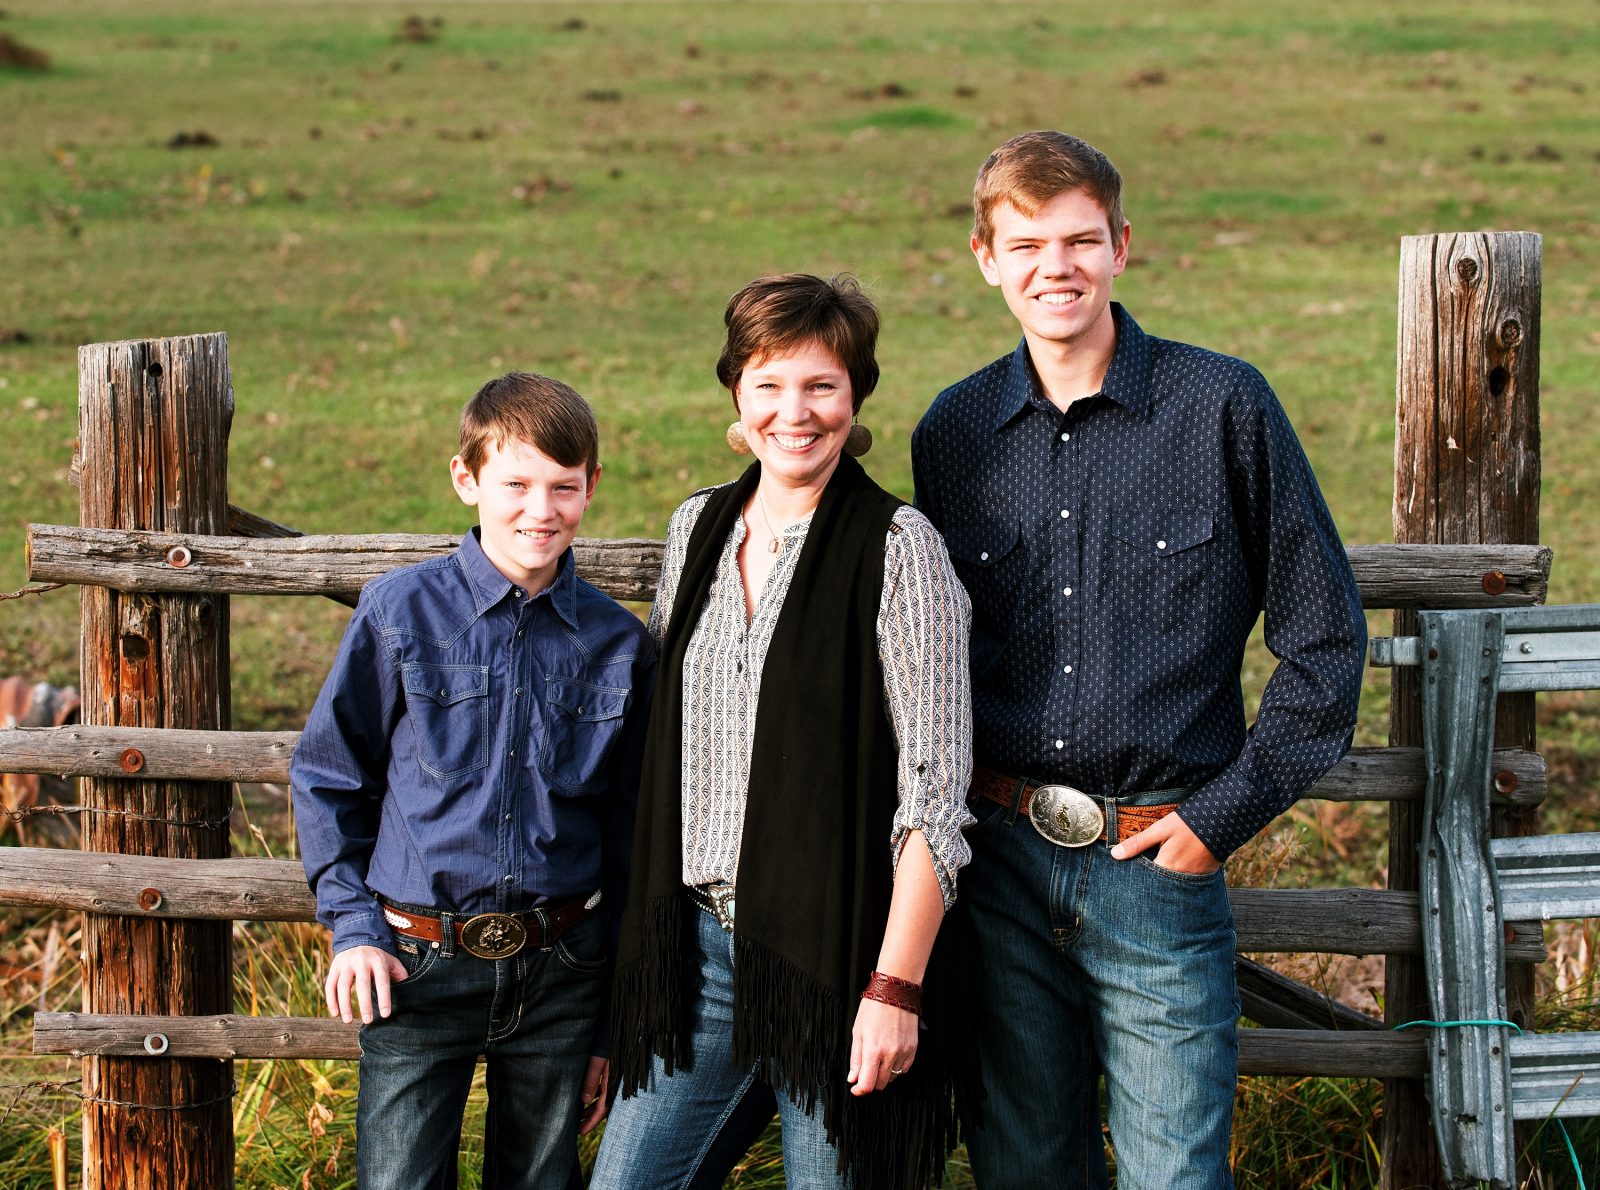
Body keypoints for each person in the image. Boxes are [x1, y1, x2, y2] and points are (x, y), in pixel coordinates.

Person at [911, 132, 1368, 1188]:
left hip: (1158, 859)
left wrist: (1218, 821)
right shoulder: (955, 431)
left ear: (1123, 245)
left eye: (1079, 239)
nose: (1054, 266)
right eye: (1025, 243)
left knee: (1175, 1171)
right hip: (1001, 865)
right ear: (985, 256)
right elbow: (928, 652)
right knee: (1024, 1166)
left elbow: (1323, 635)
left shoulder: (1223, 407)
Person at [593, 273, 977, 1190]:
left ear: (856, 396)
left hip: (842, 957)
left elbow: (935, 795)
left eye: (821, 387)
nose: (794, 413)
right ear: (736, 392)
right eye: (769, 385)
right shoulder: (698, 527)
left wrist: (894, 990)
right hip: (702, 952)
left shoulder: (900, 548)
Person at [290, 372, 656, 1190]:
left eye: (565, 487)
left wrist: (606, 1025)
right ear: (467, 479)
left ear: (592, 486)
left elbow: (632, 833)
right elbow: (327, 775)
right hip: (414, 965)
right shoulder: (398, 612)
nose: (541, 510)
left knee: (539, 1179)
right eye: (516, 485)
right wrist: (351, 926)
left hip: (563, 967)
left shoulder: (618, 644)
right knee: (400, 1181)